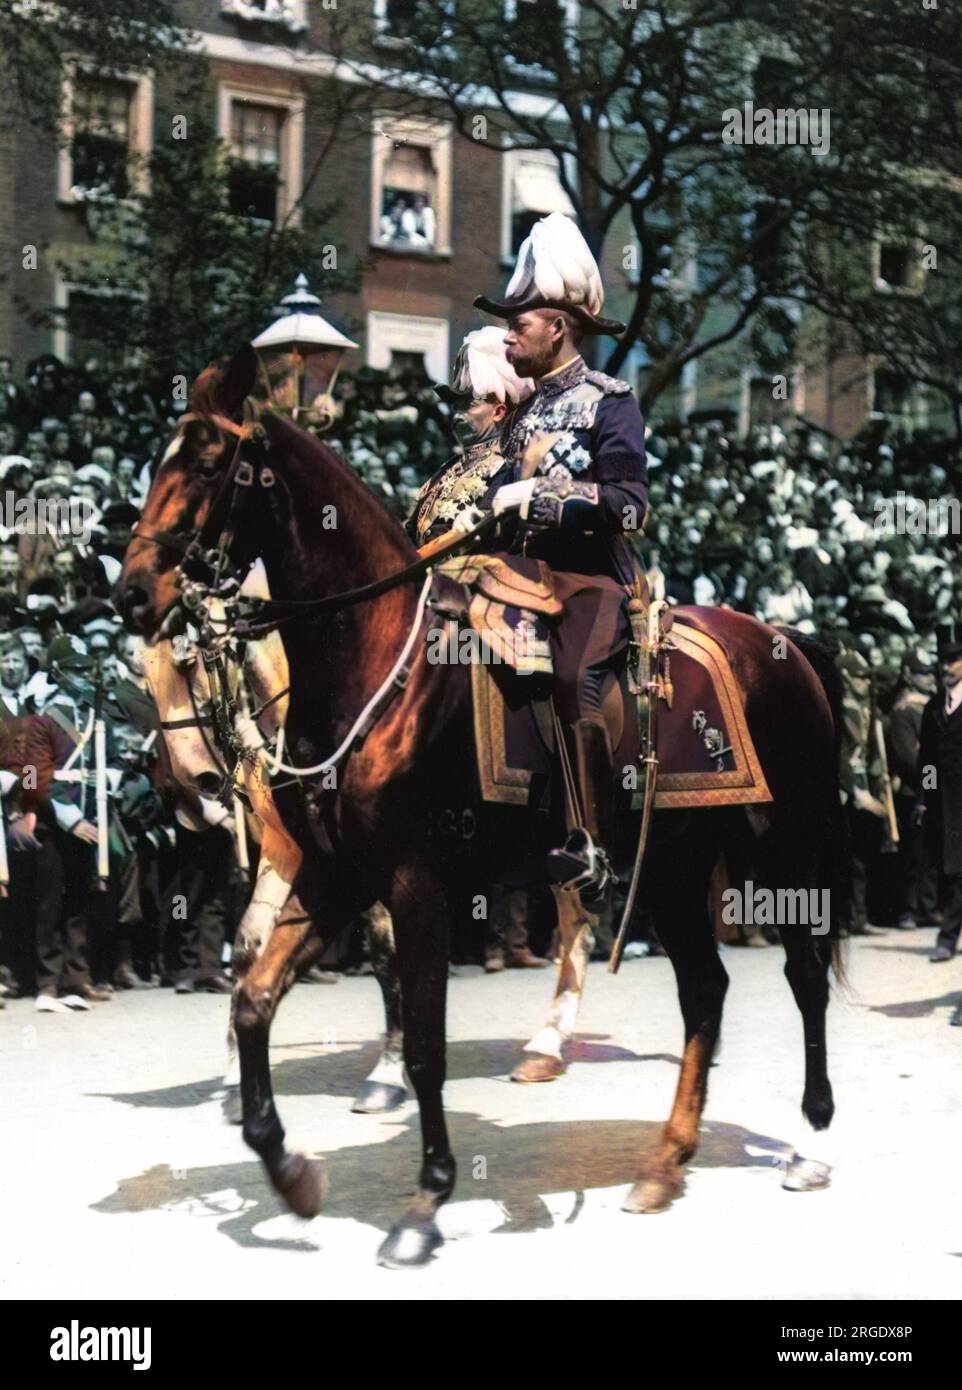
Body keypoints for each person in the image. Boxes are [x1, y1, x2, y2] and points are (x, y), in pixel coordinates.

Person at [472, 212, 649, 900]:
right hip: (512, 576)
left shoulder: (612, 405)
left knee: (575, 676)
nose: (510, 329)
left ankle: (594, 843)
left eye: (523, 318)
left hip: (588, 581)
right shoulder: (515, 413)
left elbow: (629, 504)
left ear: (559, 328)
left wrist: (539, 496)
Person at [917, 621, 962, 963]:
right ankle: (947, 938)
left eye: (953, 659)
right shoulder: (933, 708)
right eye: (942, 661)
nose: (946, 667)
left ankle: (949, 934)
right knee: (949, 868)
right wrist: (926, 799)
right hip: (944, 804)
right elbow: (927, 762)